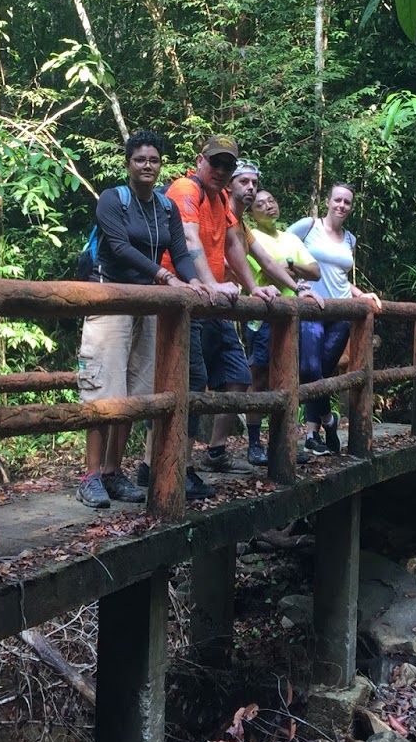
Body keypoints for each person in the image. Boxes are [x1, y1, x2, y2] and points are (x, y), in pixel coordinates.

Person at [76, 131, 209, 508]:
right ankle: (89, 476)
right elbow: (119, 247)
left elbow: (180, 254)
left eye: (153, 160)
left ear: (160, 164)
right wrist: (166, 278)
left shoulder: (165, 208)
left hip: (148, 305)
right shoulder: (112, 200)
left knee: (136, 391)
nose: (147, 165)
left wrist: (195, 283)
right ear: (128, 163)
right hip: (111, 300)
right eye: (140, 159)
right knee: (103, 387)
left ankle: (113, 473)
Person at [161, 135, 279, 498]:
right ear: (201, 161)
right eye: (217, 163)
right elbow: (190, 239)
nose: (222, 170)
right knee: (191, 384)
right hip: (185, 298)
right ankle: (177, 468)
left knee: (236, 374)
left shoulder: (221, 200)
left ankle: (207, 453)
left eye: (229, 166)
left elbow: (232, 245)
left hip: (211, 303)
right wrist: (212, 284)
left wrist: (254, 287)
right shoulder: (186, 188)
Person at [290, 183, 381, 455]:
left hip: (341, 314)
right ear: (328, 201)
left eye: (347, 202)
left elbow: (340, 279)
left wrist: (361, 294)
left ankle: (311, 436)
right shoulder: (308, 227)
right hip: (311, 310)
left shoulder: (350, 238)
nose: (342, 205)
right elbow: (276, 253)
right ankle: (329, 421)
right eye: (338, 200)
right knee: (309, 369)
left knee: (323, 374)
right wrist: (294, 283)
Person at [236, 178, 320, 463]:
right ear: (251, 213)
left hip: (290, 318)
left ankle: (282, 443)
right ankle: (254, 443)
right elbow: (268, 272)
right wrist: (289, 273)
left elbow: (315, 271)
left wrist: (292, 266)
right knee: (259, 378)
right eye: (260, 204)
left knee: (285, 379)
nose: (268, 206)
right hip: (264, 316)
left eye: (271, 201)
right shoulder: (251, 237)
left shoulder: (291, 239)